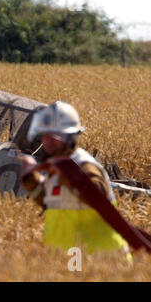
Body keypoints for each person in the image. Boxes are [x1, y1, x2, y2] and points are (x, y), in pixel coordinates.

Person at [20, 101, 129, 254]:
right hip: (72, 258)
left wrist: (67, 175)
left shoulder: (83, 165)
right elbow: (52, 203)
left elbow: (97, 197)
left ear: (71, 136)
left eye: (56, 136)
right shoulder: (58, 165)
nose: (49, 141)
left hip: (100, 260)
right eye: (45, 135)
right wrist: (31, 179)